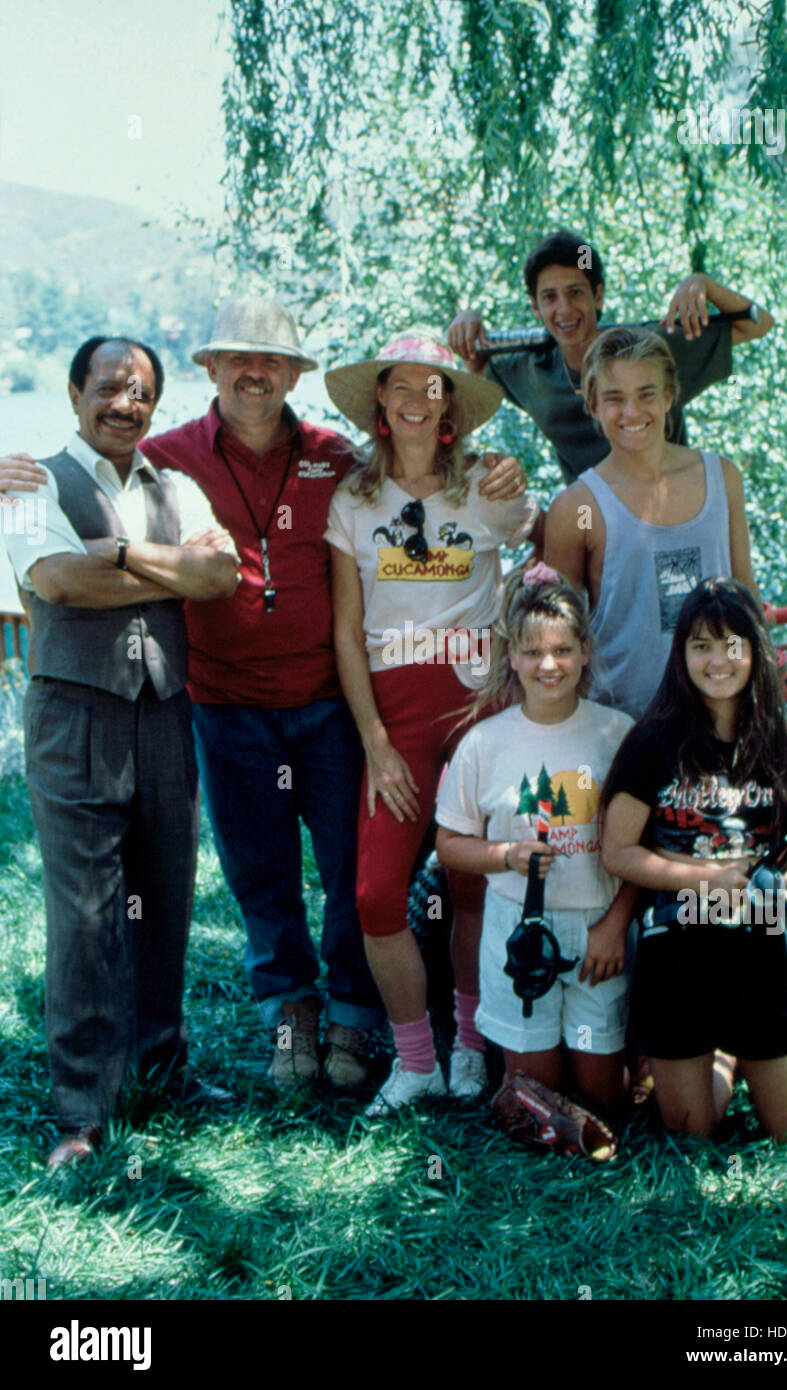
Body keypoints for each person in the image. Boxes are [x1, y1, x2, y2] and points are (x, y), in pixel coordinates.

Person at [0, 297, 527, 1092]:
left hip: (330, 701)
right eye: (238, 359)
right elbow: (60, 553)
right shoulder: (169, 456)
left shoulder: (339, 460)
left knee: (354, 865)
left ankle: (354, 1016)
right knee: (258, 870)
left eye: (273, 361)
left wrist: (492, 470)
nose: (255, 374)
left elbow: (419, 478)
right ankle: (290, 1013)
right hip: (222, 701)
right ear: (209, 369)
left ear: (295, 374)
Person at [1, 336, 239, 1170]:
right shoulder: (32, 481)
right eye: (108, 388)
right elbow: (59, 582)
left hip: (165, 713)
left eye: (140, 392)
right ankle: (82, 1110)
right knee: (87, 915)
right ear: (74, 395)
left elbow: (224, 579)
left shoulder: (175, 486)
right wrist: (176, 573)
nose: (124, 403)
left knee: (164, 895)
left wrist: (129, 557)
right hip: (75, 714)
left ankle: (162, 1068)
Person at [325, 329, 538, 1114]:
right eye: (402, 387)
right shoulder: (352, 499)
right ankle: (414, 1062)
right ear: (379, 400)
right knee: (377, 895)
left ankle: (472, 1047)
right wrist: (375, 742)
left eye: (434, 388)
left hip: (476, 707)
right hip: (394, 715)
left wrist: (517, 484)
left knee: (469, 883)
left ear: (452, 405)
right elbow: (347, 632)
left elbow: (543, 550)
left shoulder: (486, 482)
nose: (418, 402)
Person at [599, 578, 787, 1142]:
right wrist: (706, 878)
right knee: (690, 1135)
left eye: (732, 645)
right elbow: (617, 852)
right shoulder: (651, 742)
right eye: (701, 645)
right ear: (681, 654)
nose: (717, 660)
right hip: (676, 955)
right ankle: (727, 1062)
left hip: (758, 952)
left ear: (755, 650)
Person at [435, 565, 635, 1155]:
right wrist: (506, 855)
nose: (549, 665)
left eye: (562, 650)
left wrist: (616, 925)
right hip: (519, 932)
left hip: (596, 928)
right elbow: (451, 843)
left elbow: (643, 847)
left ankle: (654, 1065)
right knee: (537, 1096)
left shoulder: (617, 735)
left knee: (601, 1100)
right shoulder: (485, 743)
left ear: (584, 652)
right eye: (533, 652)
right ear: (512, 657)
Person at [544, 326, 760, 720]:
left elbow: (746, 594)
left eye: (646, 394)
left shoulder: (722, 478)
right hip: (625, 724)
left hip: (724, 715)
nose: (631, 412)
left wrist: (764, 693)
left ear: (669, 396)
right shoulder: (576, 507)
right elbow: (558, 640)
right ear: (592, 405)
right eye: (614, 399)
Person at [448, 228, 774, 486]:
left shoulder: (649, 351)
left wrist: (704, 285)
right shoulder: (534, 369)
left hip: (673, 509)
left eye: (576, 292)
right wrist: (468, 318)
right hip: (594, 526)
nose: (564, 309)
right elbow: (476, 366)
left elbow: (759, 324)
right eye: (550, 297)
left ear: (598, 295)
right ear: (535, 307)